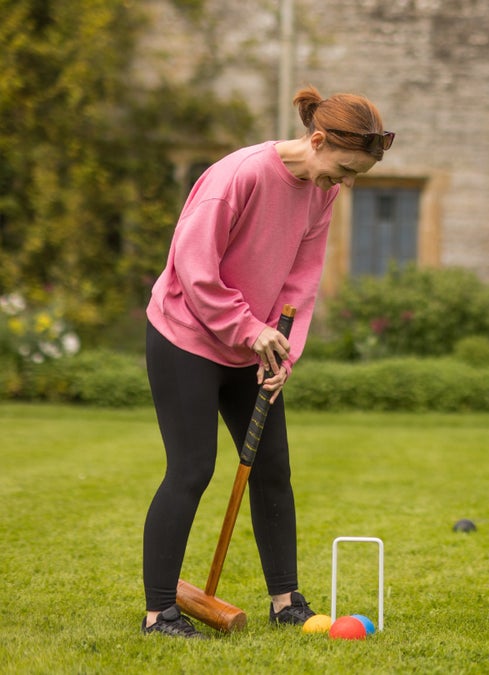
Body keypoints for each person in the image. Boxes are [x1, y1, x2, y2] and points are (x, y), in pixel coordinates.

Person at [141, 86, 392, 638]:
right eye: (345, 169)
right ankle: (159, 613)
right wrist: (249, 329)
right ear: (317, 141)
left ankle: (286, 602)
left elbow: (302, 278)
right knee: (191, 468)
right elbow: (194, 270)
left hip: (253, 345)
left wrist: (283, 350)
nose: (345, 183)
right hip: (186, 335)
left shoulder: (321, 191)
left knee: (273, 468)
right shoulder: (239, 177)